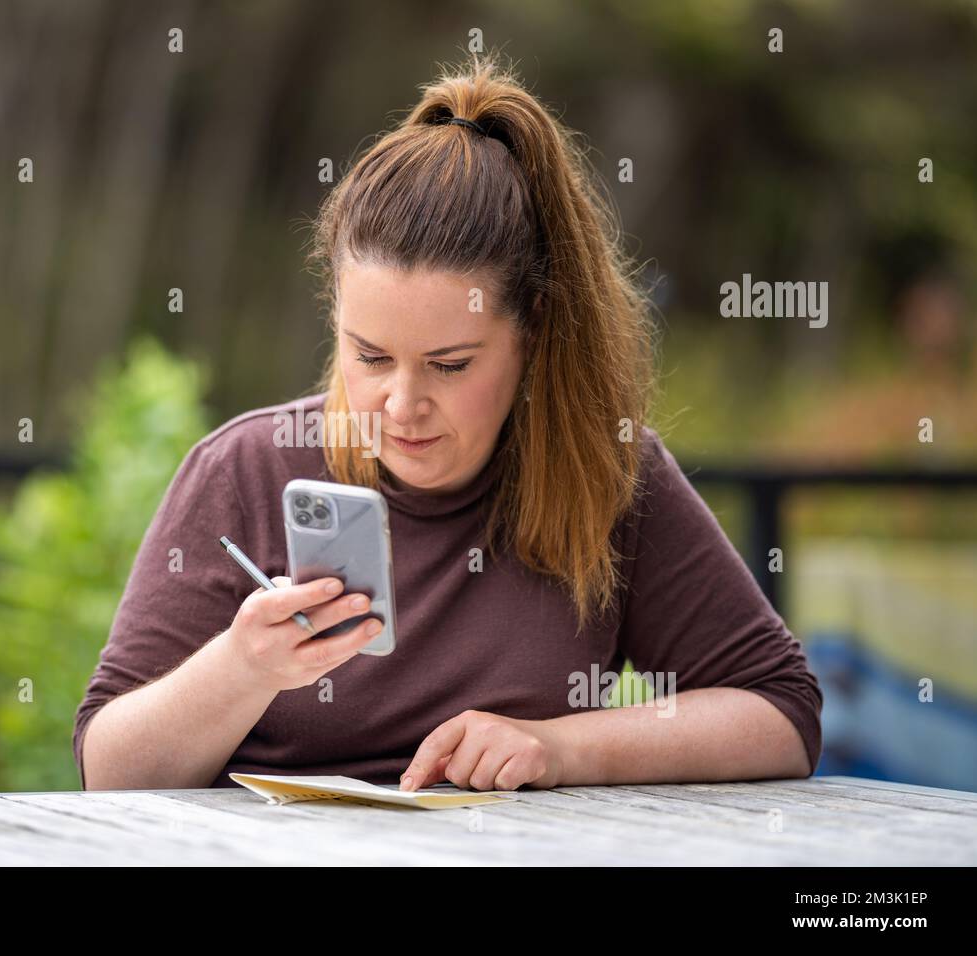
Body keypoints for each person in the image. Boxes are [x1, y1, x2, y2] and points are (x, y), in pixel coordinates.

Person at [73, 54, 822, 792]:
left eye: (451, 364)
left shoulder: (607, 476)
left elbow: (781, 714)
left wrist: (558, 749)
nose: (402, 406)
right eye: (369, 356)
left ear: (534, 336)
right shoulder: (245, 470)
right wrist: (242, 668)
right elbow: (109, 771)